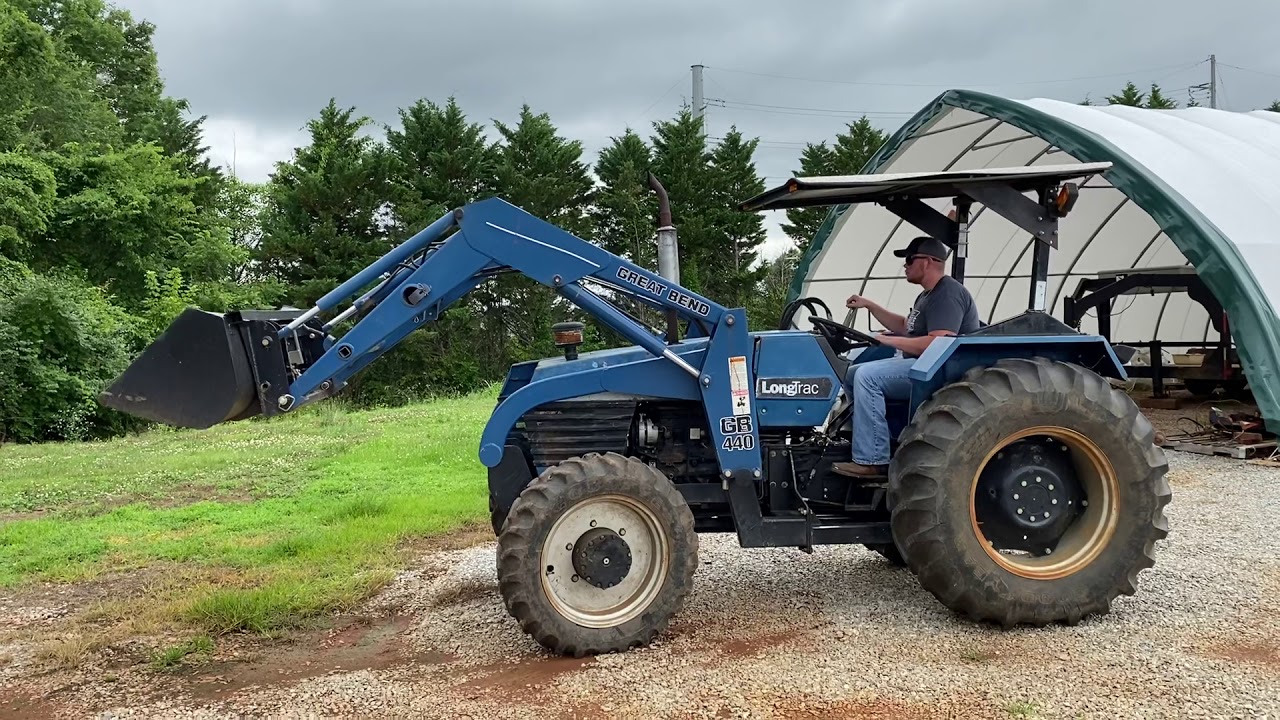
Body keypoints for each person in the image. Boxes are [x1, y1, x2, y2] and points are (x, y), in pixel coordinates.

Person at [831, 235, 981, 478]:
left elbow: (938, 344)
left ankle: (873, 459)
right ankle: (882, 440)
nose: (905, 265)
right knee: (851, 373)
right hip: (922, 365)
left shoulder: (948, 293)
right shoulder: (927, 295)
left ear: (929, 262)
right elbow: (905, 326)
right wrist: (869, 305)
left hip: (940, 371)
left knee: (868, 377)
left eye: (910, 259)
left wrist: (886, 340)